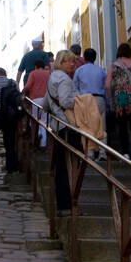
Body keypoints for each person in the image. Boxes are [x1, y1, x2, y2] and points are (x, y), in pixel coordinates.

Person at [43, 50, 83, 211]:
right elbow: (66, 102)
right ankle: (69, 204)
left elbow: (46, 104)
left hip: (57, 126)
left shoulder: (52, 77)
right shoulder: (65, 80)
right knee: (72, 165)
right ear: (61, 62)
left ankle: (63, 204)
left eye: (73, 61)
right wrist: (81, 101)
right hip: (68, 126)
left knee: (61, 166)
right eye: (69, 61)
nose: (72, 64)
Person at [106, 43, 131, 160]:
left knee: (122, 124)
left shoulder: (113, 66)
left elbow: (107, 86)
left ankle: (125, 153)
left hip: (121, 96)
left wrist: (110, 99)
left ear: (118, 52)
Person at [73, 48, 107, 155]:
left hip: (85, 99)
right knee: (101, 125)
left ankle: (90, 153)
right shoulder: (101, 70)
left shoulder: (79, 70)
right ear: (95, 58)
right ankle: (103, 153)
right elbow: (105, 86)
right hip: (99, 98)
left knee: (87, 126)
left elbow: (75, 87)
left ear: (84, 58)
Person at [22, 56, 50, 148]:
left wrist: (23, 91)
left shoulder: (33, 73)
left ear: (35, 66)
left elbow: (28, 85)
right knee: (44, 121)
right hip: (46, 99)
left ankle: (37, 135)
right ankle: (43, 143)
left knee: (35, 120)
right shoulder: (48, 73)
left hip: (35, 100)